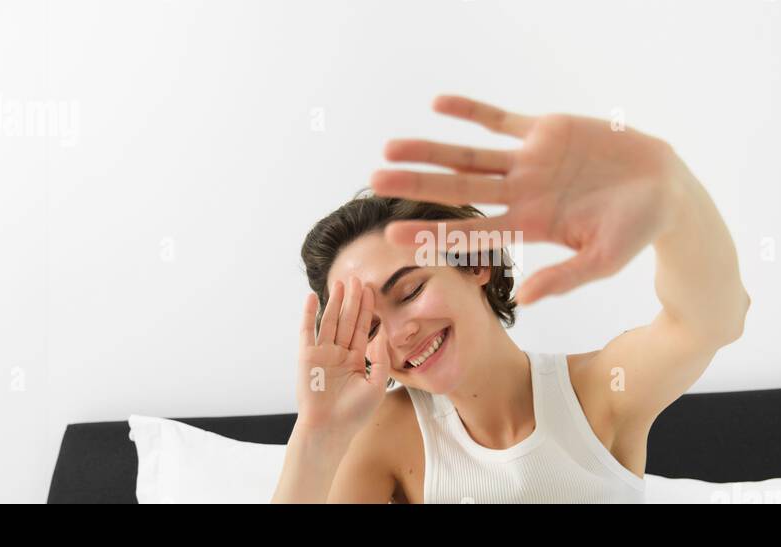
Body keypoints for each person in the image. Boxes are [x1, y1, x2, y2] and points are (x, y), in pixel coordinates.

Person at [272, 96, 750, 503]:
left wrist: (672, 193)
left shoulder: (601, 390)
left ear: (475, 263)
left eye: (411, 291)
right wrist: (316, 434)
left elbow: (712, 322)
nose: (400, 334)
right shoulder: (381, 436)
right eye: (370, 327)